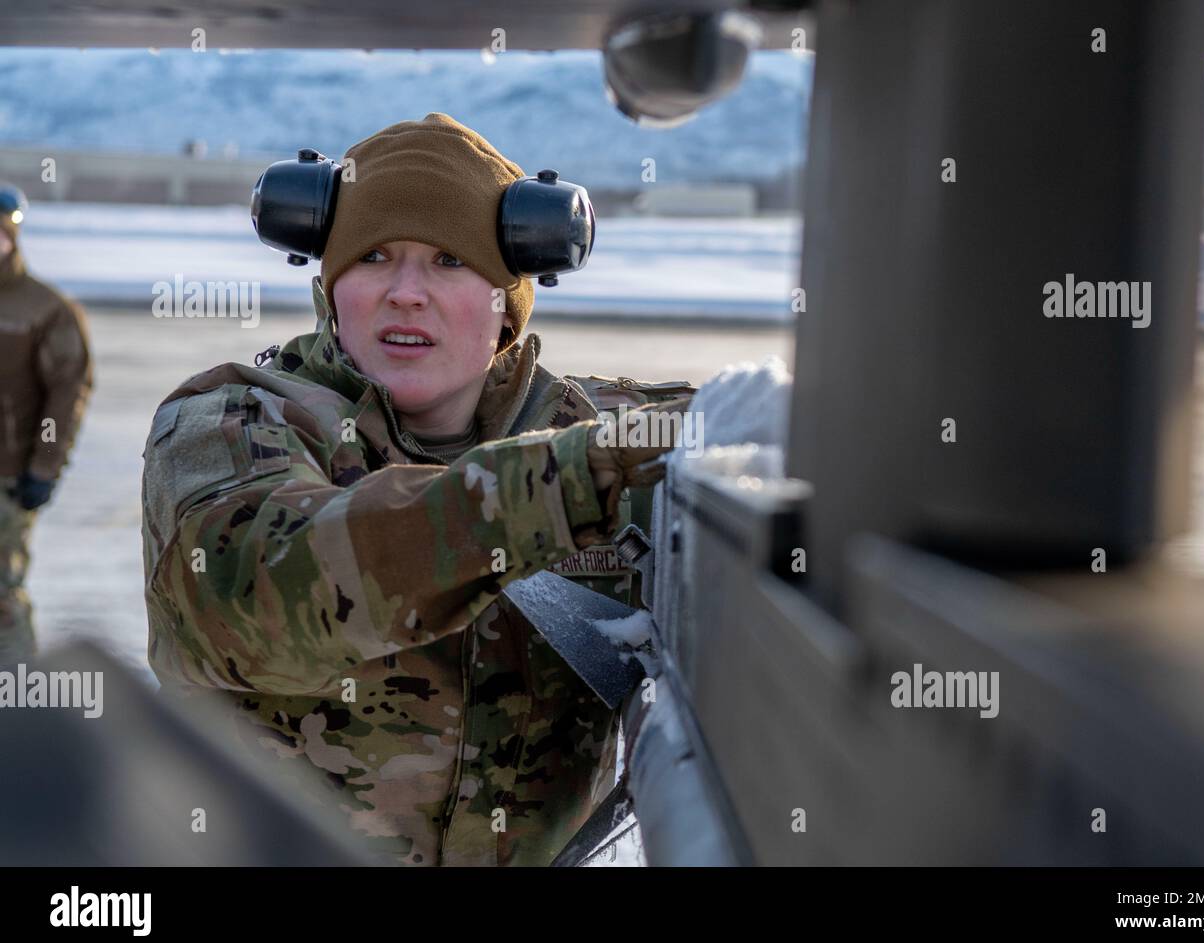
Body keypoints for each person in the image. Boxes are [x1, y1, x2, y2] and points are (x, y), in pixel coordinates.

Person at [141, 113, 693, 866]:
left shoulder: (603, 433)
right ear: (333, 287)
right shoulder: (234, 424)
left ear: (505, 296)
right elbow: (256, 590)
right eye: (372, 257)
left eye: (448, 261)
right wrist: (564, 485)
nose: (406, 293)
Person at [0, 184, 94, 665]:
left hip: (8, 480)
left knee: (2, 598)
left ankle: (16, 711)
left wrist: (44, 469)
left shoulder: (45, 309)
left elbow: (67, 393)